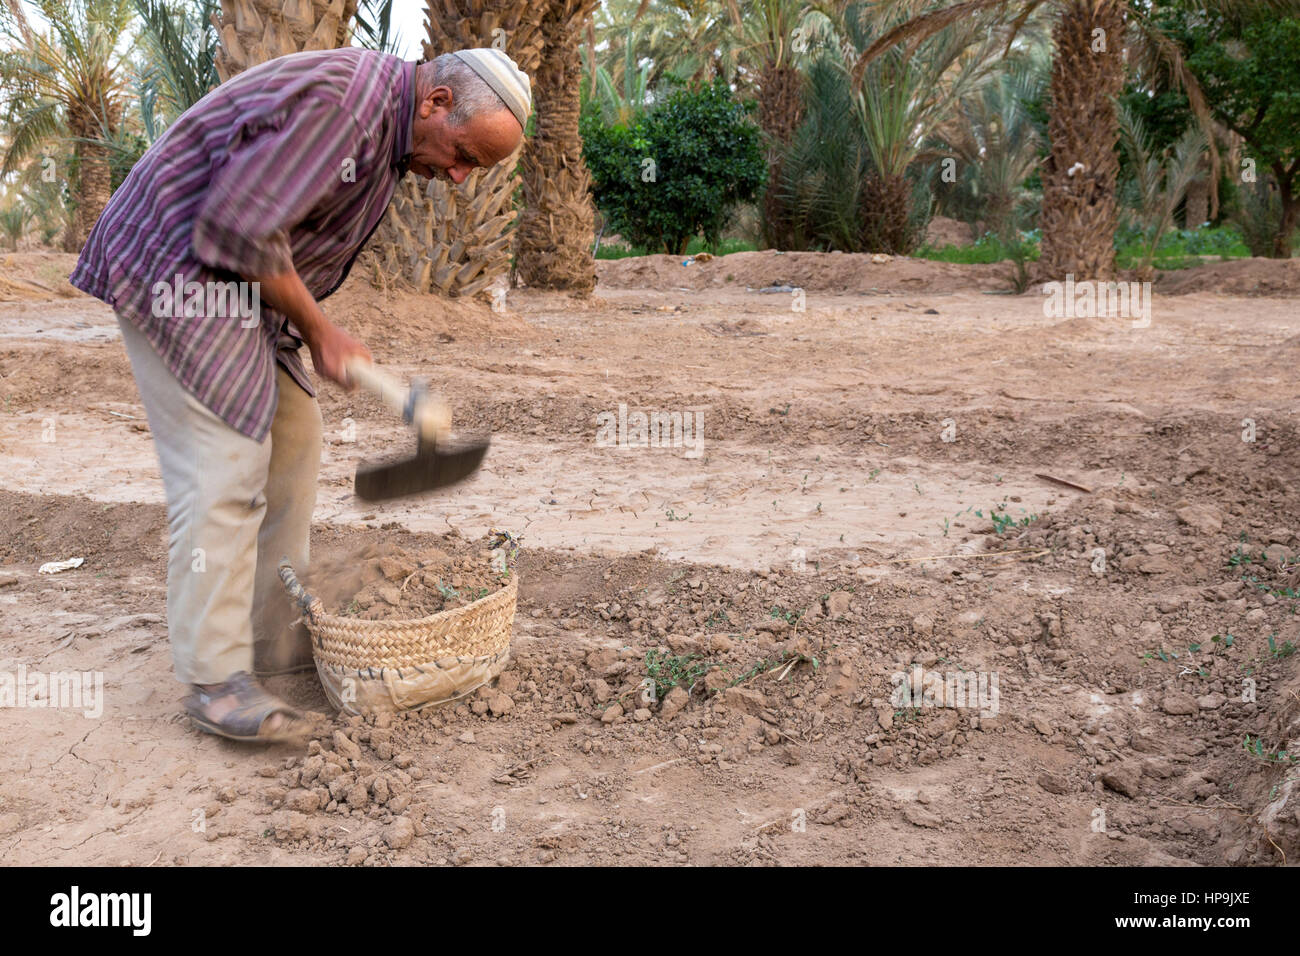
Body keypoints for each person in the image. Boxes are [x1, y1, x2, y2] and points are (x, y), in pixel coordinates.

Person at [69, 46, 531, 742]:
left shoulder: (392, 129)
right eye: (465, 153)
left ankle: (272, 644)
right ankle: (214, 681)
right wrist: (320, 329)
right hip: (180, 268)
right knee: (227, 461)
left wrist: (301, 320)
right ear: (436, 102)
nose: (460, 177)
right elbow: (239, 226)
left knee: (295, 436)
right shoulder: (345, 106)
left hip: (244, 289)